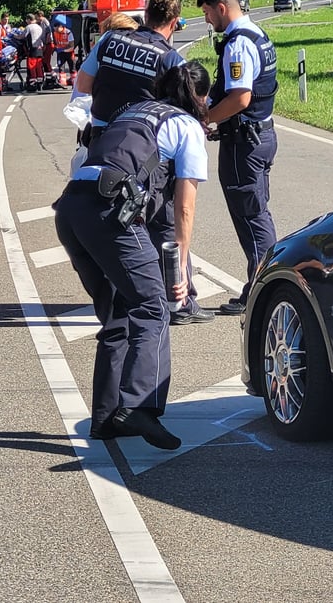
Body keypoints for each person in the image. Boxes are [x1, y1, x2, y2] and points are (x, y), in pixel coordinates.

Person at [54, 61, 212, 450]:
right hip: (109, 213)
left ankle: (105, 418)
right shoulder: (187, 127)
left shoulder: (131, 112)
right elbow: (184, 206)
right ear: (201, 98)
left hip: (71, 209)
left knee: (119, 311)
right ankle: (140, 405)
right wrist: (182, 270)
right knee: (153, 305)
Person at [75, 0, 213, 326]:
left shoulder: (109, 40)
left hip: (102, 138)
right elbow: (183, 105)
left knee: (111, 218)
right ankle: (178, 296)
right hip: (145, 143)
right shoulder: (170, 59)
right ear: (175, 21)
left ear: (145, 14)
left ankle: (120, 293)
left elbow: (83, 83)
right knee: (163, 219)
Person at [197, 0, 280, 315]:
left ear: (221, 7)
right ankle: (263, 284)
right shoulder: (257, 34)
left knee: (251, 218)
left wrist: (207, 119)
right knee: (257, 213)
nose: (206, 21)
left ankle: (261, 292)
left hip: (244, 143)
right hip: (260, 136)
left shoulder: (238, 45)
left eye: (206, 13)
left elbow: (240, 97)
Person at [51, 14, 76, 88]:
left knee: (72, 68)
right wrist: (55, 48)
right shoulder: (55, 33)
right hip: (61, 53)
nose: (55, 29)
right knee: (61, 67)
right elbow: (56, 42)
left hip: (69, 53)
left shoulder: (68, 33)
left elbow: (72, 46)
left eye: (56, 28)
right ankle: (62, 82)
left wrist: (63, 50)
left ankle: (74, 82)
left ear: (61, 27)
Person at [23, 13, 45, 91]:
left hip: (32, 49)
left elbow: (23, 36)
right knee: (39, 66)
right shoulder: (39, 27)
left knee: (32, 66)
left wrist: (14, 35)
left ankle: (33, 83)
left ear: (29, 20)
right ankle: (40, 82)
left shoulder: (28, 27)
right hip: (39, 48)